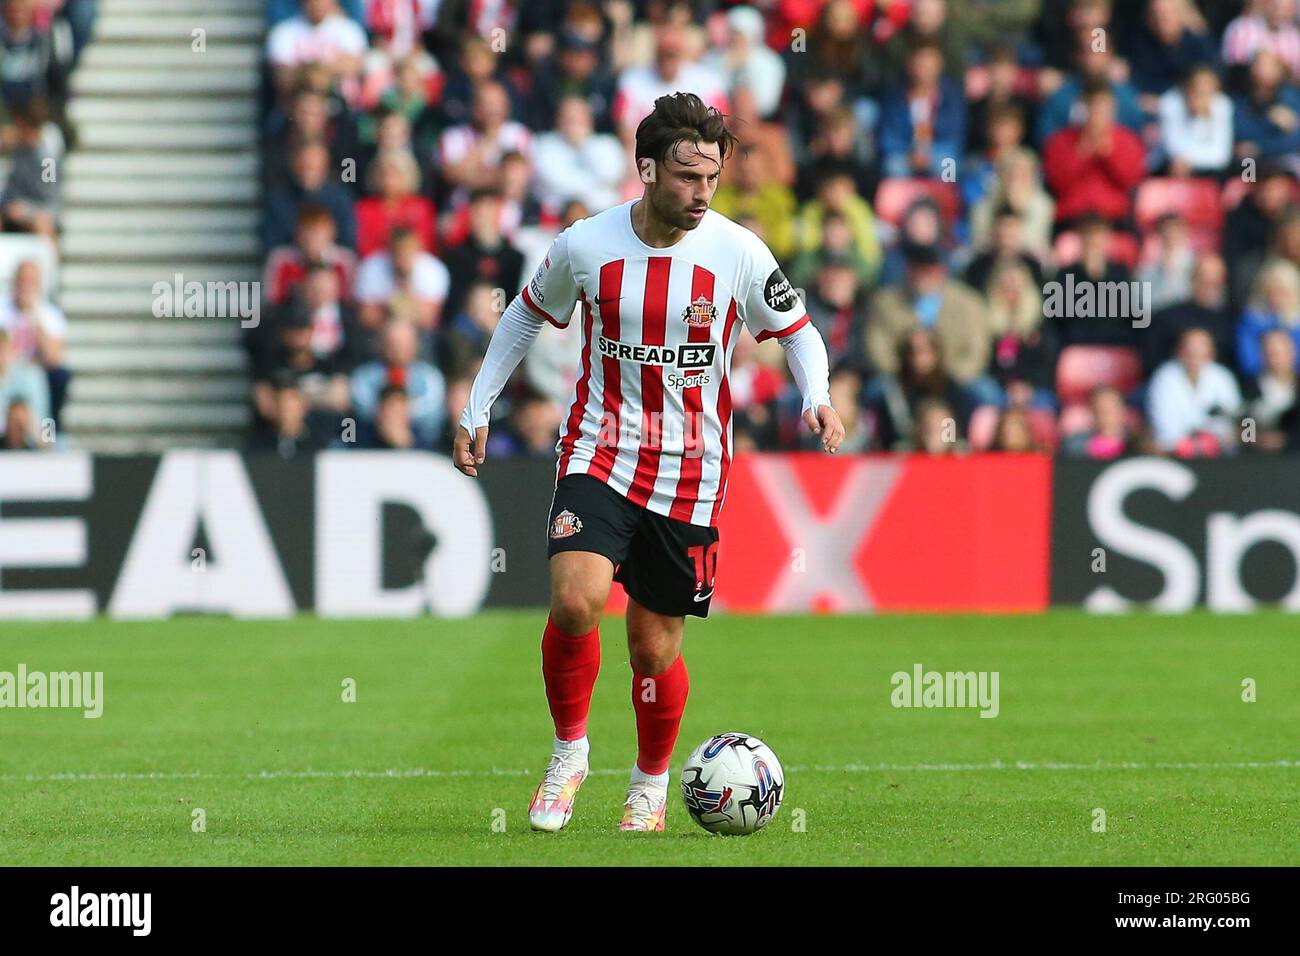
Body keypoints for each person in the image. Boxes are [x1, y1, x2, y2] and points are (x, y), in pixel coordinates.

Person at [452, 93, 842, 833]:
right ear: (646, 169)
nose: (702, 193)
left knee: (652, 644)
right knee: (575, 601)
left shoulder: (736, 252)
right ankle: (569, 755)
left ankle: (650, 785)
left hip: (692, 470)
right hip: (598, 446)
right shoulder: (585, 245)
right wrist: (478, 405)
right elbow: (526, 312)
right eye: (689, 177)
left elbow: (798, 331)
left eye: (713, 178)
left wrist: (815, 395)